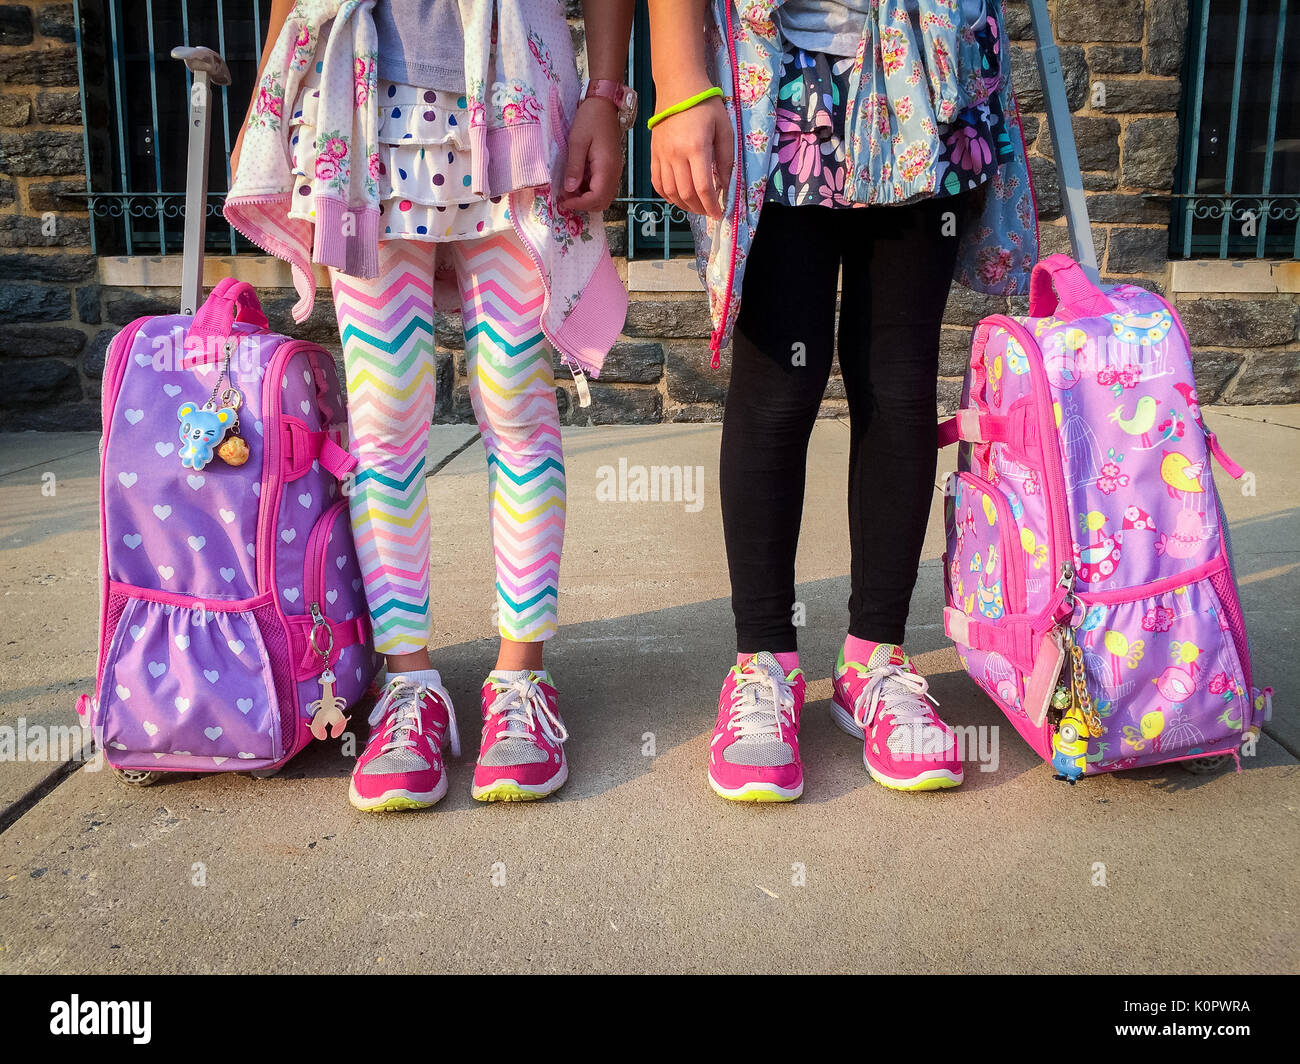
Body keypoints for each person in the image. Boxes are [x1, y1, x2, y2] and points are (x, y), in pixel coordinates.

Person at [227, 0, 634, 810]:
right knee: (381, 418)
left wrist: (607, 93)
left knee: (515, 400)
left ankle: (521, 679)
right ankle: (409, 685)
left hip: (517, 99)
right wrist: (268, 99)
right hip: (362, 112)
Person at [646, 0, 1037, 800]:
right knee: (776, 386)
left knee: (899, 379)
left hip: (926, 71)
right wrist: (679, 85)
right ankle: (764, 661)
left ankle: (874, 661)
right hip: (777, 76)